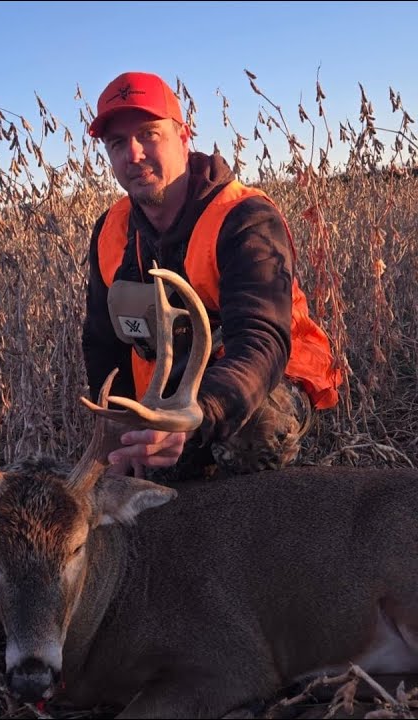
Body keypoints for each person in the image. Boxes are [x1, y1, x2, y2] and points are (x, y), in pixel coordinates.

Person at [81, 71, 342, 481]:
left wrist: (195, 419)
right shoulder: (111, 229)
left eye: (149, 134)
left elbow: (261, 342)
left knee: (252, 434)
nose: (133, 154)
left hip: (258, 380)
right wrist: (120, 430)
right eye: (117, 143)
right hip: (169, 389)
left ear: (183, 137)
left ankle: (261, 516)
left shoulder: (244, 219)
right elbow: (102, 342)